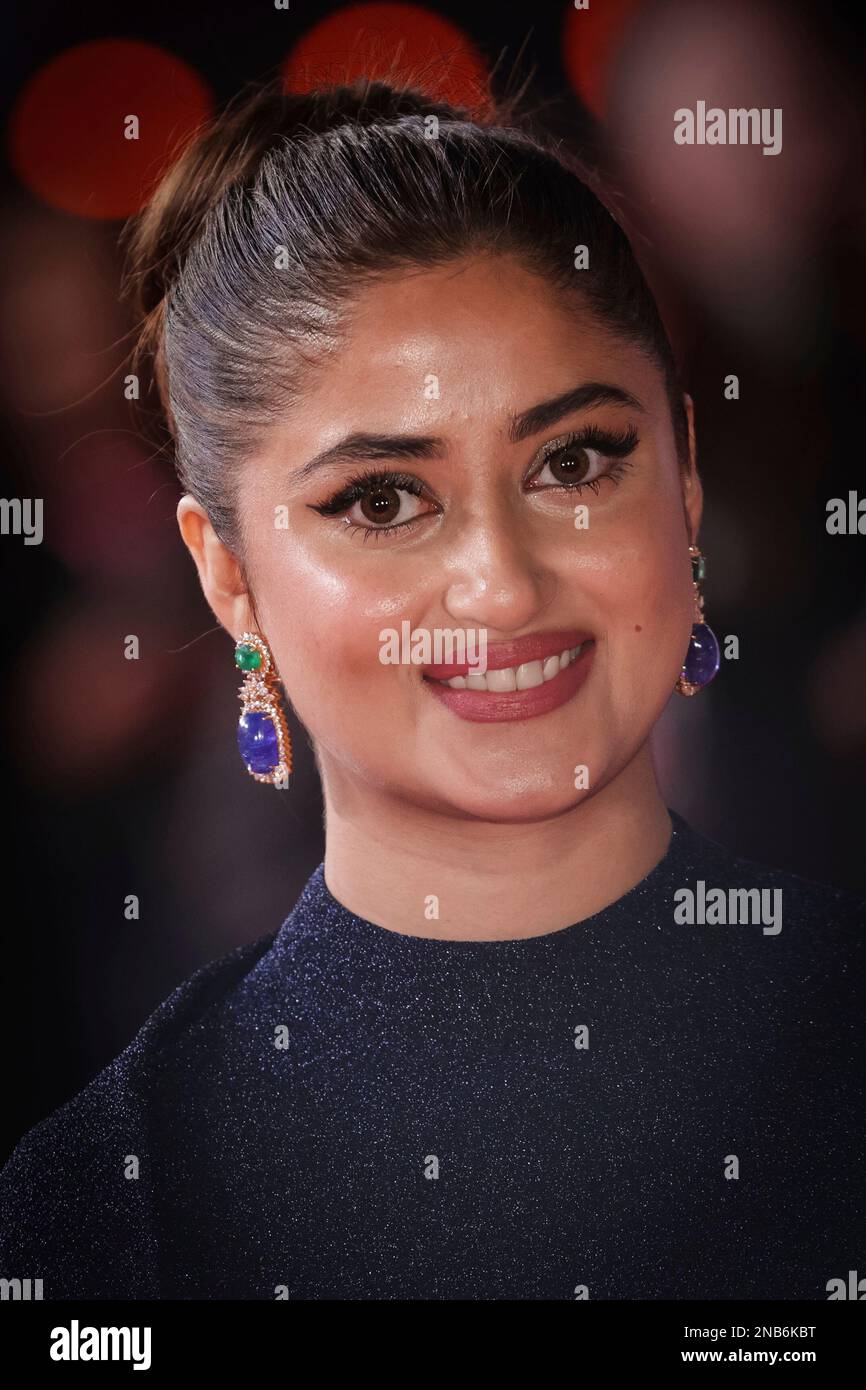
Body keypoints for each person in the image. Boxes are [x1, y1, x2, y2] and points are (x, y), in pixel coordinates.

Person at [1, 77, 863, 1301]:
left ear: (680, 486)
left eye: (573, 461)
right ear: (230, 578)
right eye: (381, 500)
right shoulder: (107, 1209)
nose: (501, 588)